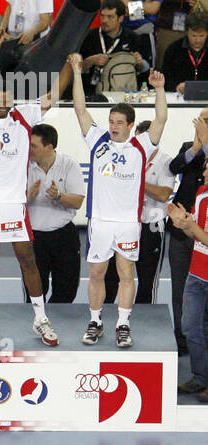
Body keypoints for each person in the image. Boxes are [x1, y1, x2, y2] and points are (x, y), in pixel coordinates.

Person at [0, 28, 60, 346]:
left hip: (13, 202)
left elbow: (53, 96)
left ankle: (40, 319)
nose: (2, 102)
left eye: (7, 98)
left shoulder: (26, 114)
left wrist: (72, 66)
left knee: (26, 257)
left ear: (14, 97)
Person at [67, 53, 169, 347]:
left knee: (126, 274)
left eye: (119, 122)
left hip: (127, 223)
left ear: (131, 125)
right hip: (99, 222)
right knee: (97, 273)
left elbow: (161, 118)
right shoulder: (97, 139)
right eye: (111, 121)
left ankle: (123, 324)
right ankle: (95, 321)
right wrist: (76, 71)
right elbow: (79, 108)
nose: (113, 126)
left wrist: (159, 89)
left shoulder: (142, 145)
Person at [105, 120, 175, 304]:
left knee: (147, 280)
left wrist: (137, 180)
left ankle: (146, 323)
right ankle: (105, 315)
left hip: (151, 226)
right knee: (112, 275)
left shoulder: (166, 162)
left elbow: (163, 194)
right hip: (124, 223)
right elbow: (106, 183)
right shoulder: (124, 157)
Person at [25, 123, 86, 304]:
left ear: (49, 147)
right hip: (33, 238)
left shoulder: (69, 165)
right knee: (34, 295)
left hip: (63, 236)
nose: (29, 149)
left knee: (67, 291)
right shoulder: (23, 166)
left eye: (34, 145)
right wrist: (29, 197)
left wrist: (59, 196)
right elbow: (12, 204)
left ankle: (58, 327)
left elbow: (77, 201)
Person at [168, 108, 208, 355]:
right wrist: (196, 146)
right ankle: (182, 343)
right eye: (202, 120)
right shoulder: (188, 146)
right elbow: (174, 167)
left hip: (203, 234)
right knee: (180, 288)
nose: (203, 124)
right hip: (183, 232)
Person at [169, 171, 208, 402]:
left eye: (207, 168)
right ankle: (200, 378)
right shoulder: (202, 193)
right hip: (196, 274)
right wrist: (182, 224)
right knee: (191, 327)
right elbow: (195, 233)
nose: (202, 173)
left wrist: (191, 226)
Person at [78, 0, 153, 95]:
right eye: (102, 16)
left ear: (120, 18)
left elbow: (146, 70)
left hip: (125, 92)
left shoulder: (132, 38)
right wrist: (92, 60)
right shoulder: (90, 37)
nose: (104, 20)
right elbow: (78, 68)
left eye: (110, 17)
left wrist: (140, 63)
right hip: (93, 92)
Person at [160, 9, 208, 94]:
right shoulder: (174, 49)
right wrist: (176, 86)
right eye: (194, 36)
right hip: (179, 97)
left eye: (201, 36)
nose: (197, 40)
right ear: (187, 32)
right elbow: (164, 78)